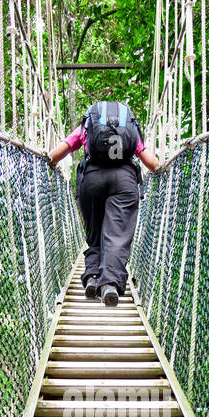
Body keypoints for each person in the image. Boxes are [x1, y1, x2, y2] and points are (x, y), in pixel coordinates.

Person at [48, 99, 159, 306]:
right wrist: (163, 168)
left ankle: (91, 278)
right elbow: (151, 163)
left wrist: (50, 162)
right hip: (124, 180)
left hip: (92, 179)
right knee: (117, 235)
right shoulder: (129, 127)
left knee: (95, 233)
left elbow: (61, 151)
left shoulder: (89, 124)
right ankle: (109, 284)